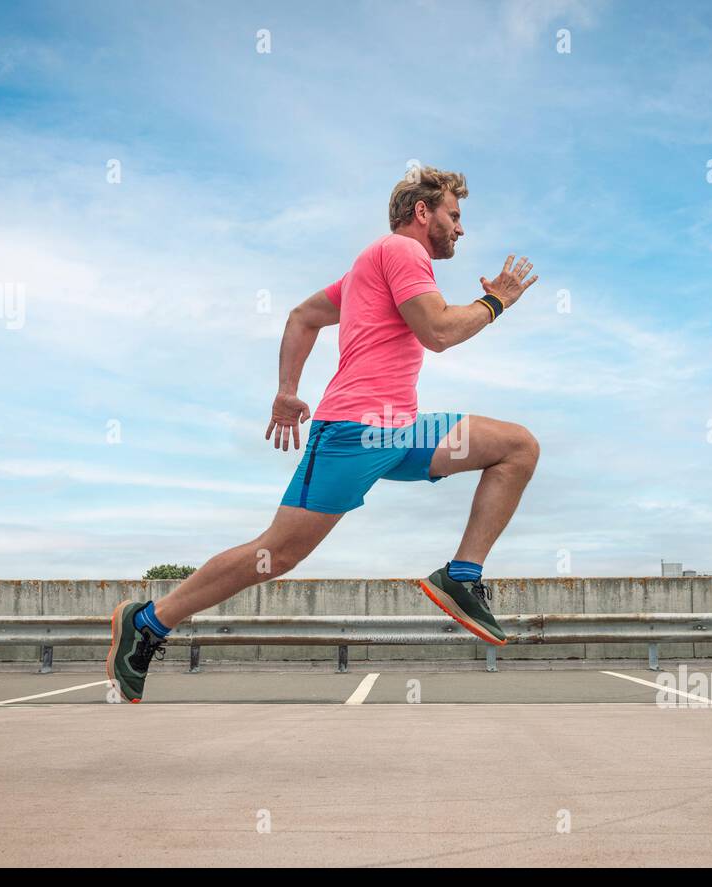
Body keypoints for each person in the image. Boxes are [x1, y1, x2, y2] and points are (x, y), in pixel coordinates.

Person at [107, 166, 540, 702]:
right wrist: (496, 301)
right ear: (422, 212)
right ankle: (149, 621)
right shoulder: (402, 253)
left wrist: (287, 391)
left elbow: (302, 316)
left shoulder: (367, 269)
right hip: (356, 432)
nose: (460, 229)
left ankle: (461, 576)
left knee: (516, 447)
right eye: (454, 215)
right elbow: (439, 332)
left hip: (399, 431)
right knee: (278, 554)